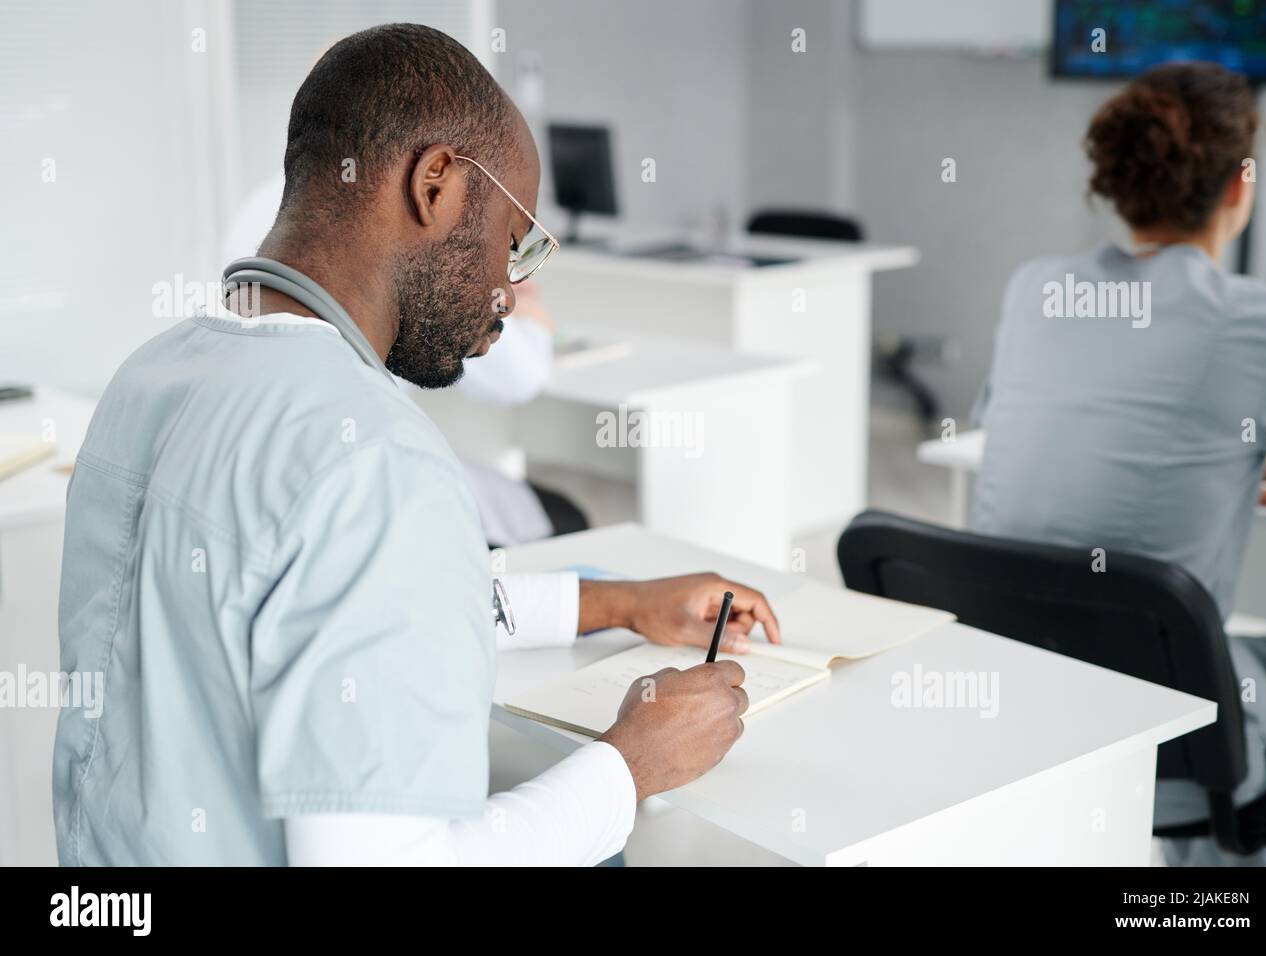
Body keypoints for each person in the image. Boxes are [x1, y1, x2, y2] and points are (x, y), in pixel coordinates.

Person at [53, 24, 782, 866]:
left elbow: (304, 608)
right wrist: (631, 765)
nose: (510, 289)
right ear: (435, 184)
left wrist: (614, 603)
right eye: (514, 243)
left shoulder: (151, 377)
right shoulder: (373, 462)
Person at [971, 62, 1266, 865]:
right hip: (1170, 750)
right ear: (1238, 187)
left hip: (1008, 712)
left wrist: (1206, 456)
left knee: (1187, 650)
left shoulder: (1035, 289)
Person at [224, 174, 579, 546]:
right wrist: (530, 319)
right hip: (374, 501)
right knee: (563, 515)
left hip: (280, 497)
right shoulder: (416, 225)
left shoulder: (265, 205)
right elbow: (519, 377)